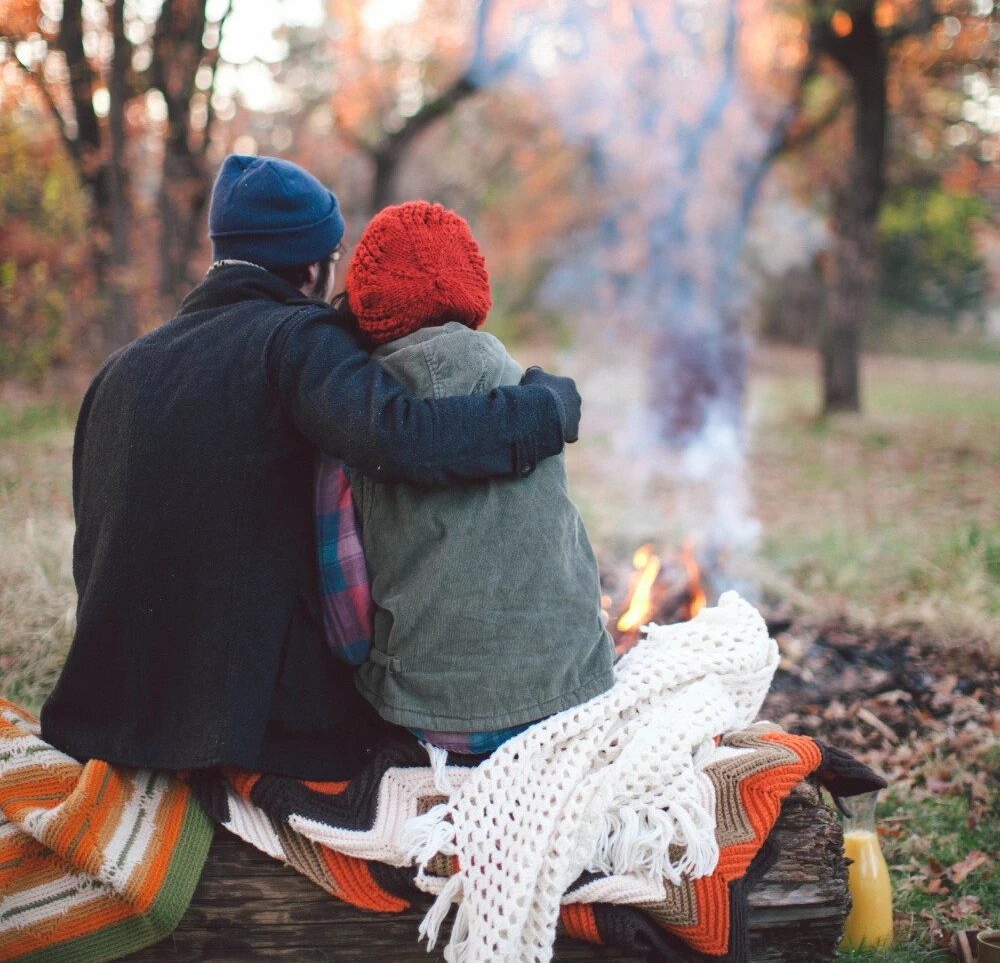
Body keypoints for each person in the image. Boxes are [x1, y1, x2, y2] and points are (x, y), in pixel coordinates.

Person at [39, 155, 581, 780]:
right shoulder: (294, 341)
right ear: (311, 266)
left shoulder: (119, 371)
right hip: (246, 726)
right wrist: (545, 409)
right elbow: (403, 437)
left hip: (112, 710)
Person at [319, 200, 614, 753]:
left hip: (440, 717)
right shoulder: (533, 398)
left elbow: (347, 618)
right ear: (471, 294)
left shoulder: (354, 422)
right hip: (576, 696)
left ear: (367, 304)